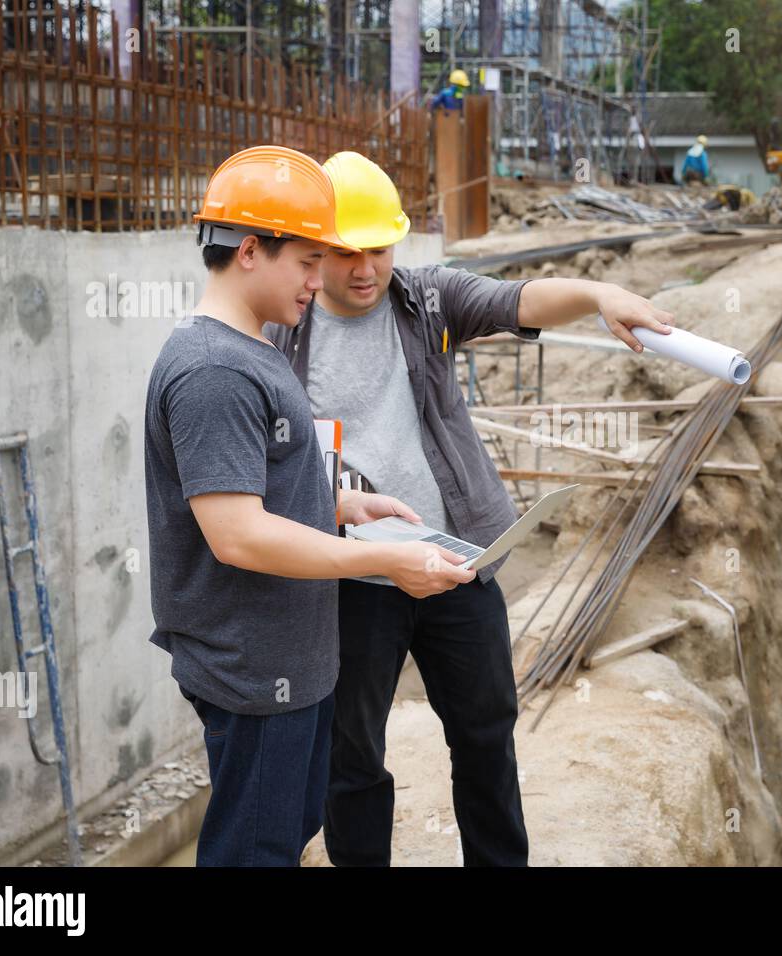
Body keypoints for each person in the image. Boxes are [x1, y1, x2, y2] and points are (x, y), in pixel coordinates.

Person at [264, 150, 675, 866]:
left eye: (380, 250)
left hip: (457, 560)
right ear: (311, 252)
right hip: (355, 577)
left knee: (485, 732)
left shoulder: (424, 300)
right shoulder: (280, 336)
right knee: (351, 755)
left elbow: (517, 300)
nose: (365, 269)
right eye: (344, 253)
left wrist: (598, 294)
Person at [143, 145, 475, 867]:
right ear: (252, 250)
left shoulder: (253, 351)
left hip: (291, 661)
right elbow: (238, 535)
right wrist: (386, 557)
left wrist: (338, 505)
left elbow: (259, 489)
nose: (320, 280)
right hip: (256, 669)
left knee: (285, 832)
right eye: (306, 261)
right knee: (253, 851)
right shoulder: (214, 371)